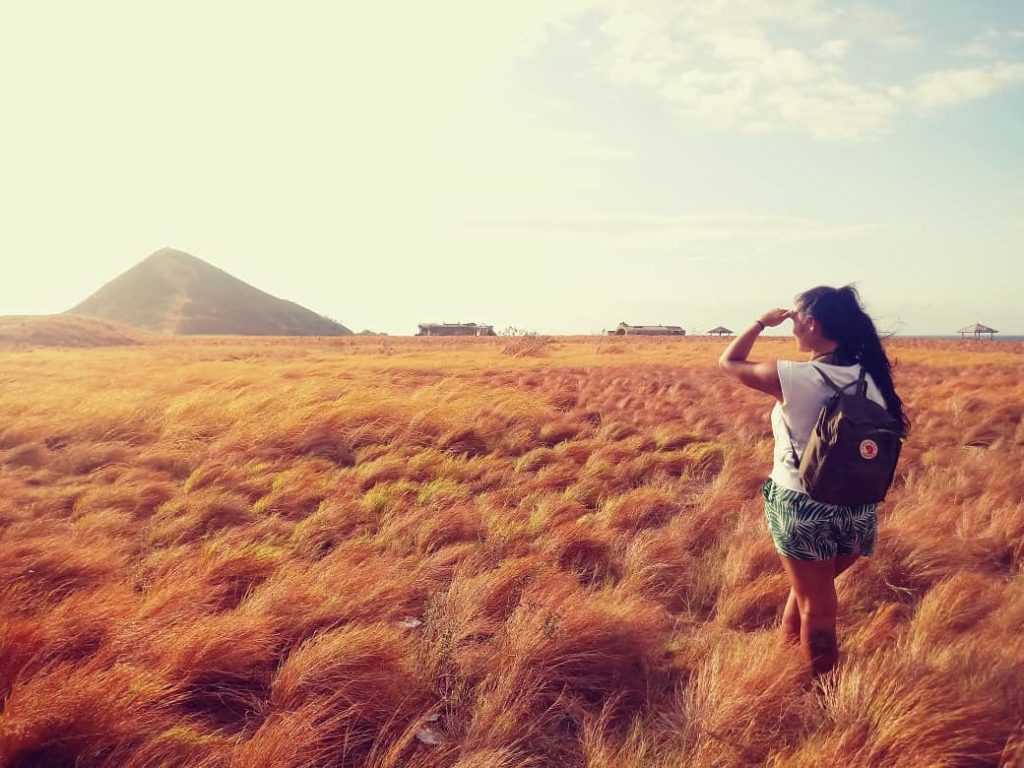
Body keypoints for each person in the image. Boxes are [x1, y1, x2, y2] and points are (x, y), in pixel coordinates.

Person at [717, 285, 909, 676]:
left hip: (802, 506)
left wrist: (760, 323)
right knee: (809, 591)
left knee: (817, 607)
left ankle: (822, 692)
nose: (792, 329)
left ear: (811, 323)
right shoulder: (871, 377)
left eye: (795, 321)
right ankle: (788, 659)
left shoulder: (793, 376)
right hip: (858, 509)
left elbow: (729, 361)